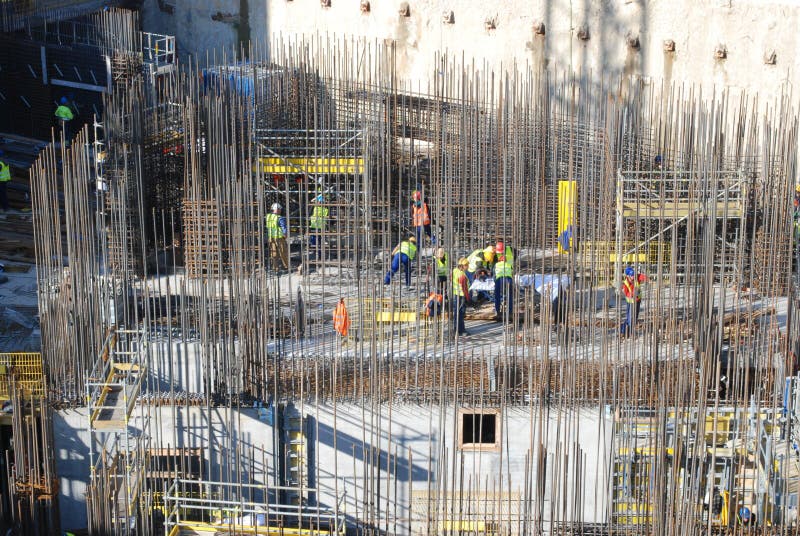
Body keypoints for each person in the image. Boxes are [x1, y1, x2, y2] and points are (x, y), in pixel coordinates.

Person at [620, 266, 648, 336]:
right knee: (630, 318)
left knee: (635, 317)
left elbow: (642, 277)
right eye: (631, 275)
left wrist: (645, 278)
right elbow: (626, 293)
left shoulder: (636, 277)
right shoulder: (625, 284)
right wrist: (633, 294)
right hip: (631, 303)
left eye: (634, 275)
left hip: (637, 301)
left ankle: (631, 331)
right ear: (628, 276)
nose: (633, 277)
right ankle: (624, 331)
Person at [266, 202, 289, 272]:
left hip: (271, 237)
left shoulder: (268, 217)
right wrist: (285, 234)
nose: (280, 210)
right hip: (279, 237)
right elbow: (283, 227)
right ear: (277, 209)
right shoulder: (280, 218)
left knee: (274, 253)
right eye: (279, 209)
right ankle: (286, 266)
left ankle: (275, 268)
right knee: (283, 252)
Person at [451, 257, 471, 337]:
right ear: (463, 266)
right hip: (462, 296)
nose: (468, 267)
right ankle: (461, 330)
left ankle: (456, 329)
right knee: (461, 314)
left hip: (456, 294)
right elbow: (465, 288)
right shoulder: (462, 275)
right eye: (467, 265)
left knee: (456, 313)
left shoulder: (455, 270)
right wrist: (468, 298)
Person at [494, 253, 513, 322]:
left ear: (499, 260)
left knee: (497, 296)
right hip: (508, 280)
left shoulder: (496, 265)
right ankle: (510, 312)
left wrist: (495, 282)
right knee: (509, 296)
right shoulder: (509, 265)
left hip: (500, 280)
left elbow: (494, 275)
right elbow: (512, 273)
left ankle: (497, 312)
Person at [308, 194, 329, 260]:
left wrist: (315, 199)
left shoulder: (314, 207)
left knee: (316, 242)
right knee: (317, 242)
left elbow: (309, 212)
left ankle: (318, 254)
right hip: (318, 227)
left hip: (316, 227)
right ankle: (318, 253)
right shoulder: (325, 209)